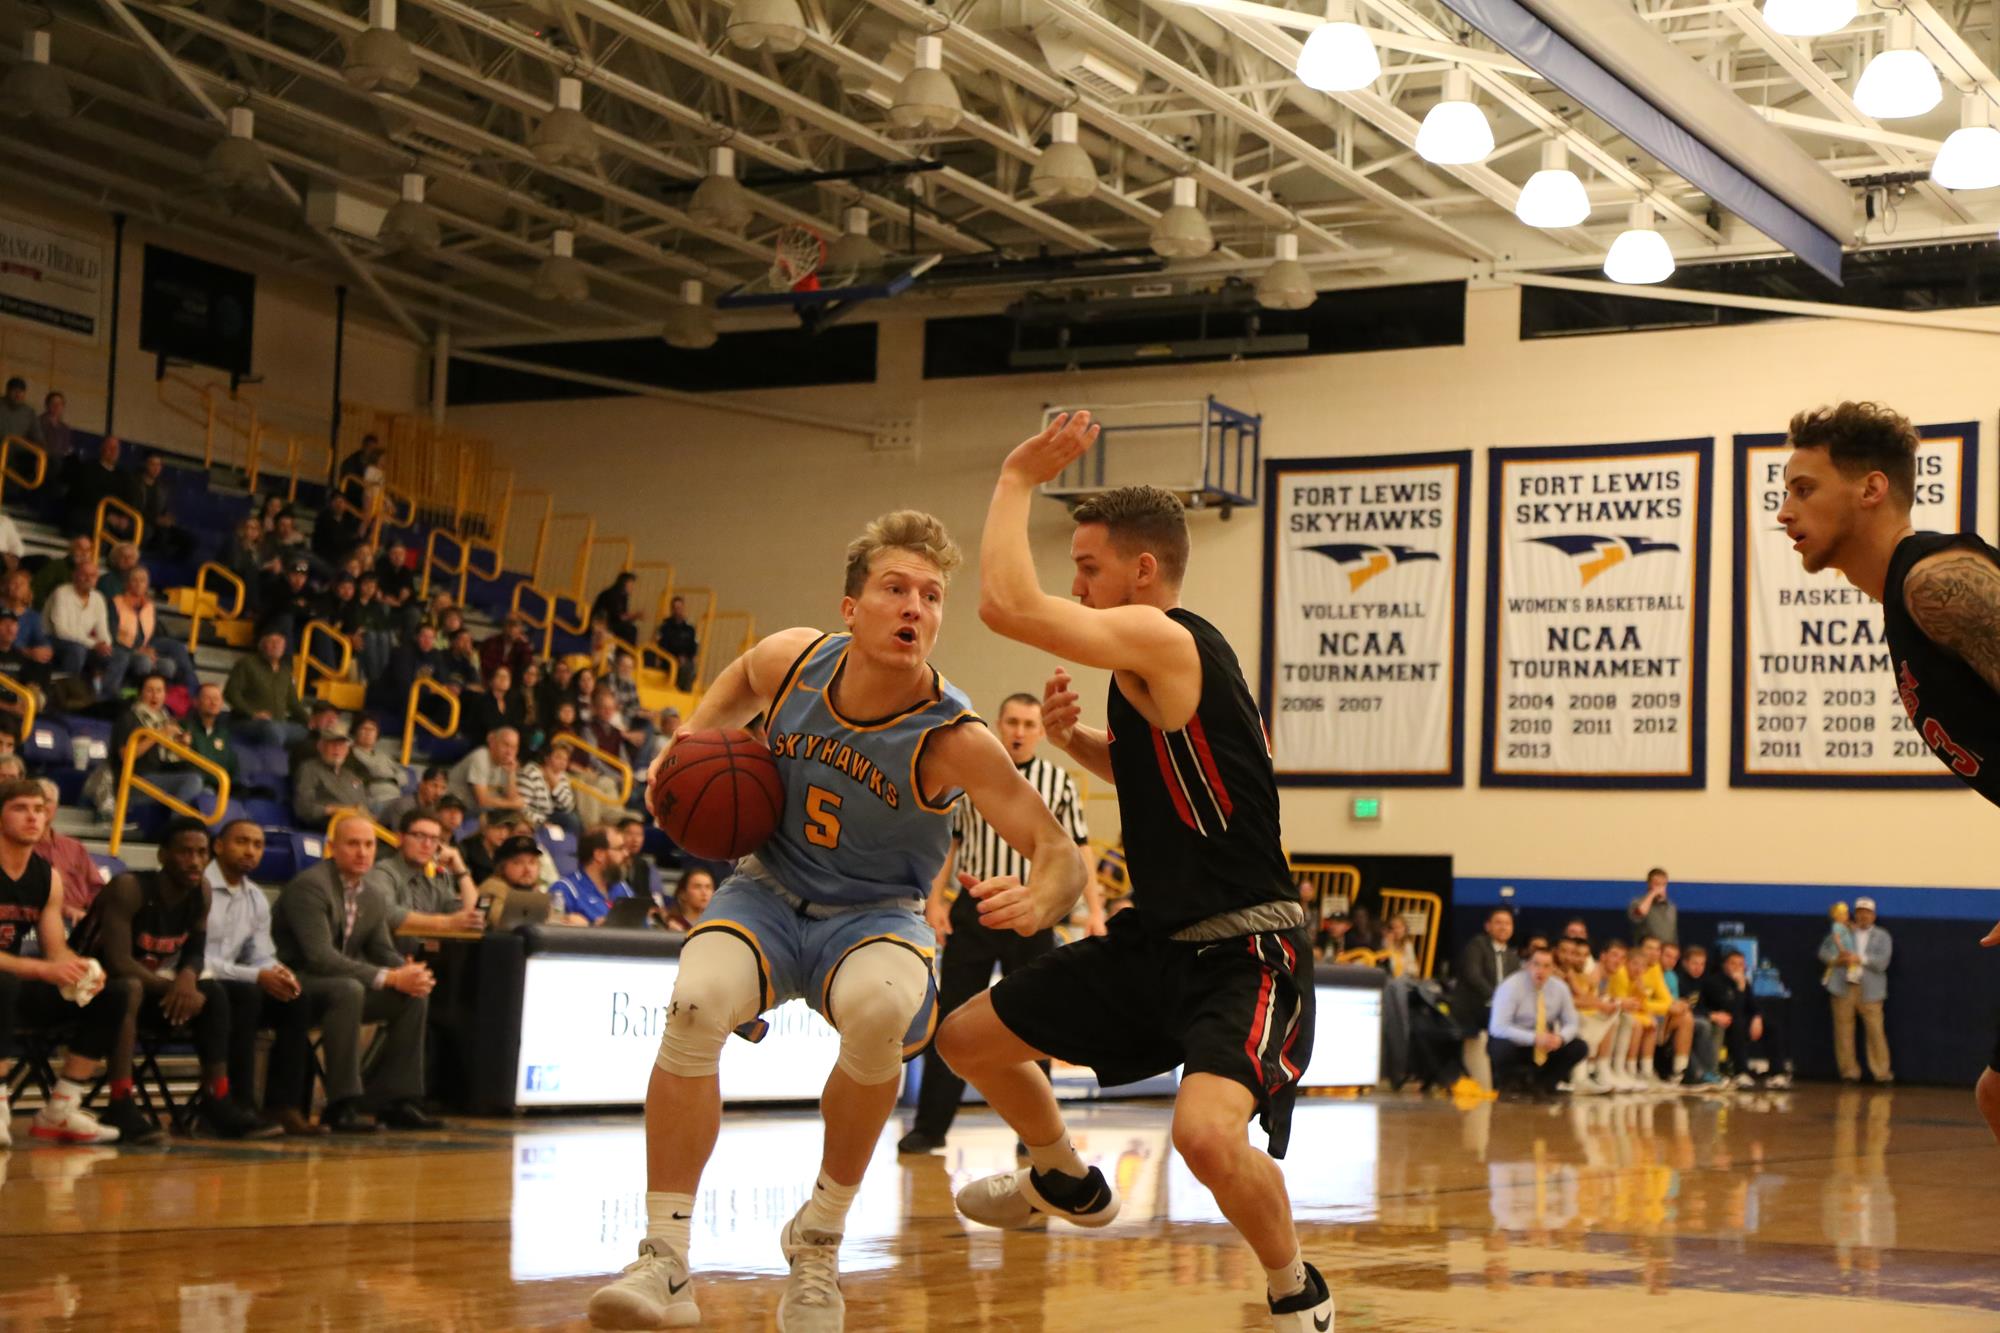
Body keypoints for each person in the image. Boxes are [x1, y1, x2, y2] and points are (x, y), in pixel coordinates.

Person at [586, 508, 1089, 1333]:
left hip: (876, 916)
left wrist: (1044, 894)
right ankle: (664, 1257)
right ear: (851, 607)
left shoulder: (953, 735)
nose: (915, 607)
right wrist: (688, 739)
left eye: (931, 595)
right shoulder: (795, 660)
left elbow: (1053, 844)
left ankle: (817, 1241)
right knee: (695, 1002)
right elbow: (742, 673)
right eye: (896, 587)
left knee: (880, 1014)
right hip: (767, 890)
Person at [938, 419, 1333, 1330]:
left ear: (1142, 574)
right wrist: (1081, 743)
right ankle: (1062, 1173)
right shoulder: (1161, 674)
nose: (1075, 586)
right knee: (965, 1038)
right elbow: (1163, 778)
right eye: (1073, 570)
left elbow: (1004, 604)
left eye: (1087, 567)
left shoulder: (1170, 640)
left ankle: (1296, 1292)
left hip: (1246, 949)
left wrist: (1012, 475)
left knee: (1201, 1133)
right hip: (1158, 944)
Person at [899, 690, 1097, 1155]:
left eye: (1030, 724)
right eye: (1012, 722)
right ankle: (930, 1127)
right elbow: (950, 844)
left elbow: (1080, 849)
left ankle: (1037, 1135)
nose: (1020, 731)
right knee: (949, 1021)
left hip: (1035, 910)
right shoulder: (974, 778)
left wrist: (1096, 911)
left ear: (1040, 732)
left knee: (1036, 1024)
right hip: (976, 907)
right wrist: (936, 901)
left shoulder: (1059, 783)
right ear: (999, 724)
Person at [70, 820, 271, 1140]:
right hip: (84, 991)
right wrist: (174, 988)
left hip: (140, 991)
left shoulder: (201, 892)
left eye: (201, 853)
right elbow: (118, 962)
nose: (194, 861)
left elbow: (194, 953)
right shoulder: (129, 889)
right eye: (185, 852)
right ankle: (120, 1102)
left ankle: (216, 1100)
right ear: (163, 856)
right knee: (130, 988)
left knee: (213, 993)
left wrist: (188, 980)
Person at [272, 815, 441, 1132]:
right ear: (332, 848)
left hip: (341, 984)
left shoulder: (372, 893)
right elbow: (320, 958)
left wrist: (407, 971)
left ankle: (398, 1101)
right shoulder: (311, 886)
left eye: (369, 844)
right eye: (353, 844)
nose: (363, 852)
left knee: (413, 996)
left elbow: (381, 949)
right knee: (349, 989)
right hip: (293, 982)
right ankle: (341, 1104)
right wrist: (390, 977)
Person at [0, 778, 126, 1145]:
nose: (32, 818)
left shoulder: (47, 877)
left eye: (39, 809)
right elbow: (43, 966)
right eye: (20, 809)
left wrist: (80, 969)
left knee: (112, 992)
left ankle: (61, 1110)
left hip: (15, 983)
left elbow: (55, 950)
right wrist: (45, 969)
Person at [203, 819, 322, 1136]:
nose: (250, 851)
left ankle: (283, 1105)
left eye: (257, 845)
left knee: (296, 998)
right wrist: (257, 975)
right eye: (241, 842)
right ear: (218, 846)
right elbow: (194, 960)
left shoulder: (255, 896)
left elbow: (261, 953)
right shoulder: (198, 886)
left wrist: (280, 972)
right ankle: (239, 1105)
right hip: (196, 983)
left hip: (235, 982)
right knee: (248, 994)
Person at [1487, 943, 1588, 1096]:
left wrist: (1560, 1038)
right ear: (1527, 965)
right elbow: (1498, 1027)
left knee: (1579, 1046)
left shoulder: (1560, 988)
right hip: (1517, 1042)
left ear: (1553, 968)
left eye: (1547, 966)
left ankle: (1544, 1083)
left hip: (1544, 1045)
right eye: (1536, 964)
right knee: (1500, 1047)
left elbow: (1572, 1023)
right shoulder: (1511, 986)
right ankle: (1510, 1084)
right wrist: (1533, 1038)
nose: (1541, 970)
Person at [369, 809, 485, 940]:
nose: (427, 844)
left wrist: (461, 871)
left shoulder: (433, 880)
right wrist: (447, 923)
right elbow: (387, 913)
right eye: (419, 836)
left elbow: (472, 917)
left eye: (434, 839)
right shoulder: (382, 872)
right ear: (400, 838)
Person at [1818, 895, 1894, 1084]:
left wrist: (1860, 959)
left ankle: (1881, 1073)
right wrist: (1838, 960)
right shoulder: (1842, 931)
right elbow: (1823, 953)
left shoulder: (1882, 936)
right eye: (1860, 913)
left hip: (1871, 991)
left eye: (1867, 913)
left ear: (1874, 916)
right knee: (1843, 1032)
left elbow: (1883, 962)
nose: (1863, 917)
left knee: (1875, 1032)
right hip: (1843, 988)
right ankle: (1849, 1073)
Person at [110, 672, 206, 809]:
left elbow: (174, 757)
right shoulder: (129, 718)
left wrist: (182, 743)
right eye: (149, 690)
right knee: (193, 781)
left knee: (206, 792)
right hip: (134, 781)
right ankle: (178, 827)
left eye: (159, 691)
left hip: (164, 776)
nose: (155, 695)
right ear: (140, 693)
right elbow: (126, 756)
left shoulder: (167, 719)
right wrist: (159, 734)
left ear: (165, 695)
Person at [1450, 907, 1519, 1092]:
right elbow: (1473, 976)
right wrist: (1499, 999)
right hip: (1474, 1008)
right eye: (1498, 923)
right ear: (1488, 926)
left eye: (1507, 923)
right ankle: (1494, 1079)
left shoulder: (1512, 957)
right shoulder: (1477, 945)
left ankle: (1511, 1079)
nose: (1503, 927)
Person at [105, 565, 199, 696]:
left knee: (169, 663)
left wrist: (151, 650)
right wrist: (136, 650)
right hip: (122, 648)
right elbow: (111, 634)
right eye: (135, 580)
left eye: (142, 580)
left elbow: (153, 634)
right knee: (144, 662)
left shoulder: (150, 605)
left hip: (145, 646)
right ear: (127, 583)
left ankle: (183, 693)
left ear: (147, 584)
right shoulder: (115, 603)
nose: (138, 584)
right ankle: (135, 695)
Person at [225, 631, 313, 747]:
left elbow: (293, 703)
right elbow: (231, 693)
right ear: (262, 645)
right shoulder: (247, 663)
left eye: (280, 642)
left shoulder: (285, 670)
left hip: (280, 724)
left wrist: (310, 721)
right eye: (272, 642)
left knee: (309, 734)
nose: (276, 645)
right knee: (272, 730)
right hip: (249, 721)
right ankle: (273, 761)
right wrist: (252, 713)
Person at [33, 778, 99, 923]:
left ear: (56, 807)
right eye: (37, 801)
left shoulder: (75, 847)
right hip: (42, 920)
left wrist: (95, 915)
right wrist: (64, 910)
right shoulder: (20, 847)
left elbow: (97, 888)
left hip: (83, 918)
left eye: (47, 800)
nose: (42, 805)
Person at [44, 555, 114, 687]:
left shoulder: (98, 598)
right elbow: (61, 631)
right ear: (74, 575)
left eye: (93, 575)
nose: (88, 579)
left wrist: (106, 644)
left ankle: (97, 693)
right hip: (51, 639)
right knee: (77, 650)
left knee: (110, 655)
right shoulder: (61, 592)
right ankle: (67, 691)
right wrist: (94, 644)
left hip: (81, 642)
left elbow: (103, 630)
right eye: (84, 574)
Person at [62, 434, 141, 541]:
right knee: (100, 526)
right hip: (87, 512)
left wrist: (124, 517)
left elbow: (131, 497)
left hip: (115, 516)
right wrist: (107, 516)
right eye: (110, 447)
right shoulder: (88, 468)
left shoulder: (123, 475)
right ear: (102, 449)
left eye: (116, 448)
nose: (113, 451)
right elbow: (86, 495)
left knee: (139, 529)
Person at [547, 826, 631, 926]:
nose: (626, 853)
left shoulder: (622, 888)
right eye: (620, 849)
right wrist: (589, 929)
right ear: (599, 854)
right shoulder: (564, 890)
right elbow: (553, 932)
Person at [293, 724, 372, 828]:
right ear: (320, 746)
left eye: (341, 744)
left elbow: (363, 809)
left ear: (347, 750)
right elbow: (303, 808)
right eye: (332, 744)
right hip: (330, 828)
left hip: (360, 828)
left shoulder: (352, 776)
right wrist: (335, 810)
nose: (337, 749)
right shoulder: (309, 769)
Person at [450, 725, 527, 816]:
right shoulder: (481, 757)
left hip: (477, 814)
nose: (509, 752)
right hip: (453, 809)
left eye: (514, 747)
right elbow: (482, 800)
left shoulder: (507, 763)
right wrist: (511, 805)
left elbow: (513, 798)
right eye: (506, 745)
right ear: (492, 742)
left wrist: (511, 773)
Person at [478, 832, 548, 928]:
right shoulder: (492, 888)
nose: (527, 869)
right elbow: (503, 922)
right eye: (518, 863)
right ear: (502, 867)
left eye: (532, 862)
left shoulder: (536, 889)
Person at [518, 741, 581, 837]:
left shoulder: (562, 777)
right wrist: (541, 823)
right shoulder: (531, 773)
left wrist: (555, 785)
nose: (562, 763)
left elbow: (568, 807)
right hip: (532, 817)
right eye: (558, 757)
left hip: (549, 816)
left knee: (573, 819)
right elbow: (521, 807)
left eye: (565, 760)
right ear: (547, 758)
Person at [463, 665, 526, 742]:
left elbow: (517, 727)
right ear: (491, 681)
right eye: (499, 676)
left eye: (507, 677)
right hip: (483, 743)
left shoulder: (514, 702)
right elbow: (473, 728)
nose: (503, 679)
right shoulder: (481, 700)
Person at [379, 765, 449, 832]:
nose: (438, 793)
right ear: (422, 784)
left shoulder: (434, 809)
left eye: (443, 788)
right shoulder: (404, 805)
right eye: (434, 785)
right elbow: (401, 836)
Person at [614, 814, 663, 910]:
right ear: (618, 835)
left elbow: (646, 897)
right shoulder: (611, 864)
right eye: (630, 833)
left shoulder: (643, 865)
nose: (635, 839)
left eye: (639, 834)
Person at [655, 594, 699, 690]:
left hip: (686, 660)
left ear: (683, 608)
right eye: (675, 608)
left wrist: (687, 657)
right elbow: (662, 645)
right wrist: (676, 656)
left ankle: (683, 692)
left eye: (680, 607)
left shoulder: (690, 628)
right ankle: (681, 691)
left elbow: (694, 646)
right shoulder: (665, 626)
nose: (677, 610)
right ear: (672, 609)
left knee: (690, 667)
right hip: (669, 659)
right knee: (685, 668)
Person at [1629, 867, 1677, 949]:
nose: (1660, 888)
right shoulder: (1637, 902)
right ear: (1649, 884)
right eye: (1657, 884)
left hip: (1664, 953)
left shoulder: (1671, 907)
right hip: (1646, 951)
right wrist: (1652, 894)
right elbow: (1640, 913)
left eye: (1663, 884)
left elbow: (1672, 933)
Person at [660, 867, 714, 933]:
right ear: (683, 894)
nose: (704, 893)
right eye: (697, 887)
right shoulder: (670, 924)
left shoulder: (716, 925)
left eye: (708, 887)